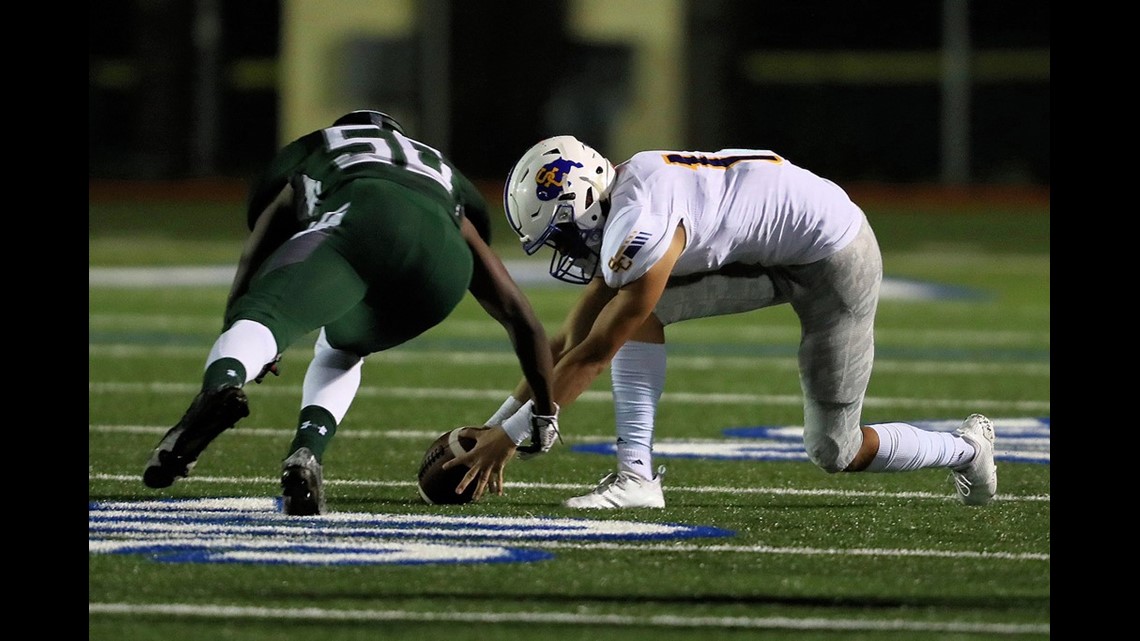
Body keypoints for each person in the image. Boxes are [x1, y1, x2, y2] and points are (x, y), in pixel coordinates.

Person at [488, 135, 997, 509]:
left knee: (835, 449)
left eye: (563, 235)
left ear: (586, 204)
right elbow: (574, 336)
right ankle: (636, 477)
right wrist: (494, 427)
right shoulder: (626, 189)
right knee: (635, 311)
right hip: (773, 253)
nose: (566, 250)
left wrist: (513, 435)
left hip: (838, 259)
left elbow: (595, 354)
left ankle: (966, 450)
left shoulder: (636, 219)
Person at [142, 110, 560, 514]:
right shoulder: (441, 171)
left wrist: (248, 322)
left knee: (263, 314)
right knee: (343, 347)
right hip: (443, 266)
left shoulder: (319, 146)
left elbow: (266, 228)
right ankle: (306, 453)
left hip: (359, 216)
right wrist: (541, 413)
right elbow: (517, 313)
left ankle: (222, 387)